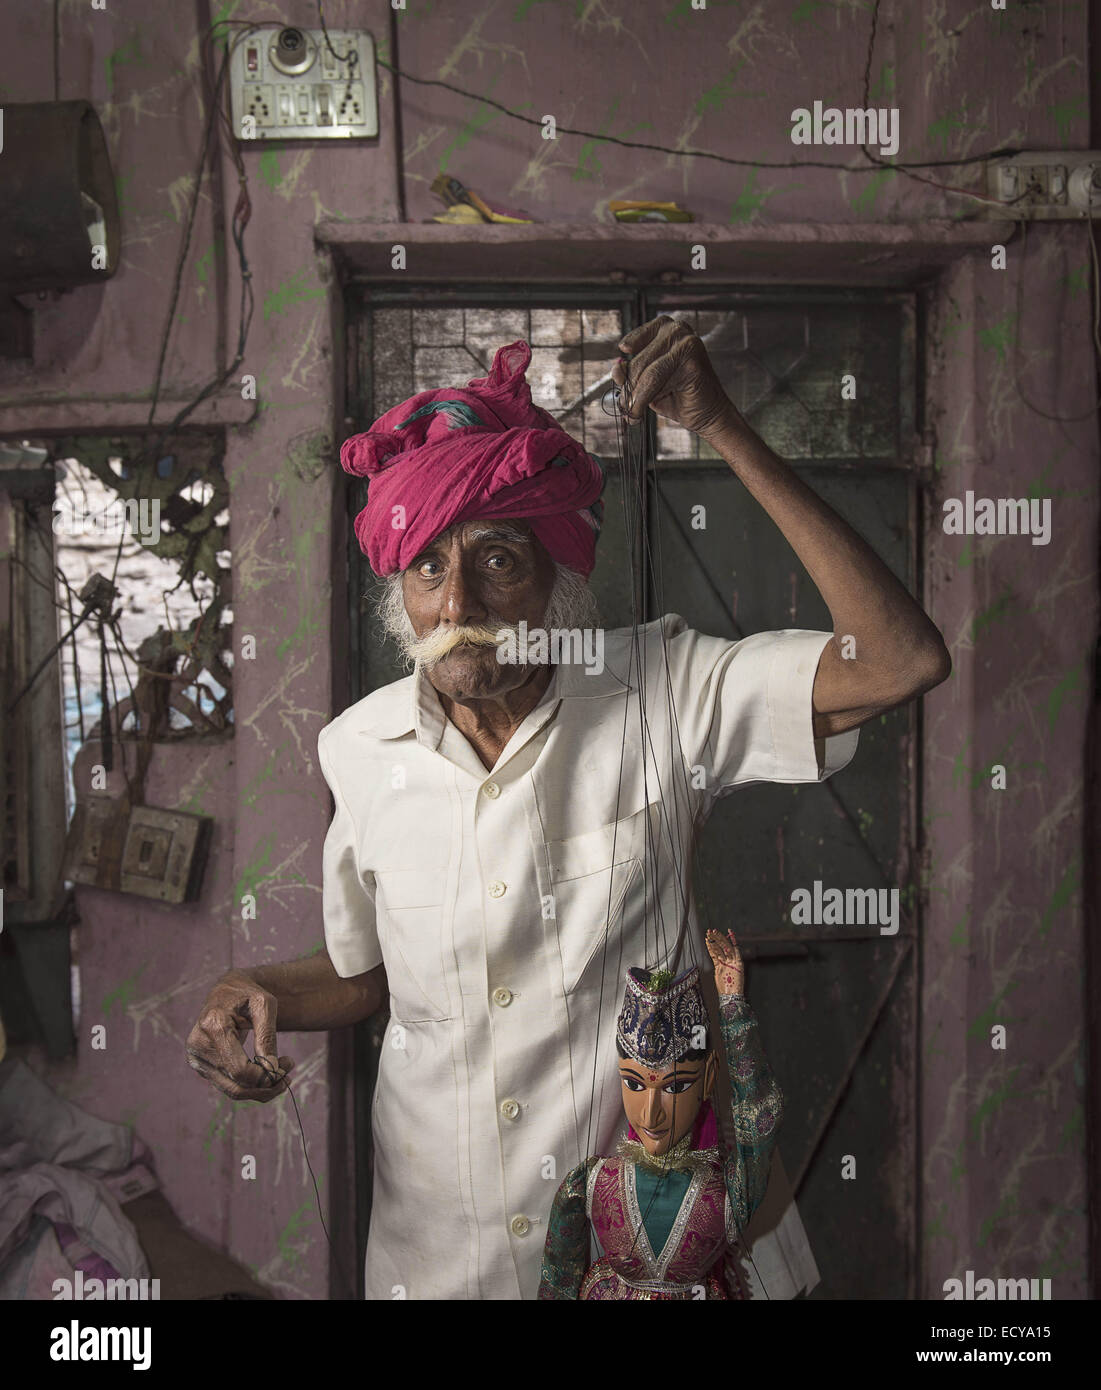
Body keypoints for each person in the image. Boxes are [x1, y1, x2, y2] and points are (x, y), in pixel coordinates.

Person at [186, 316, 950, 1300]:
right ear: (401, 597)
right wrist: (258, 988)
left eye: (498, 559)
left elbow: (901, 661)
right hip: (437, 1263)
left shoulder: (666, 691)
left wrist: (721, 423)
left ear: (558, 577)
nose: (457, 599)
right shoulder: (360, 750)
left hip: (649, 1260)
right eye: (429, 567)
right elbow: (367, 976)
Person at [538, 929, 777, 1300]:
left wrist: (732, 1006)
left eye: (675, 1087)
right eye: (634, 1084)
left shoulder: (726, 1197)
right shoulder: (591, 1184)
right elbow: (558, 1284)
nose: (650, 1114)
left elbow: (759, 1118)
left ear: (709, 1078)